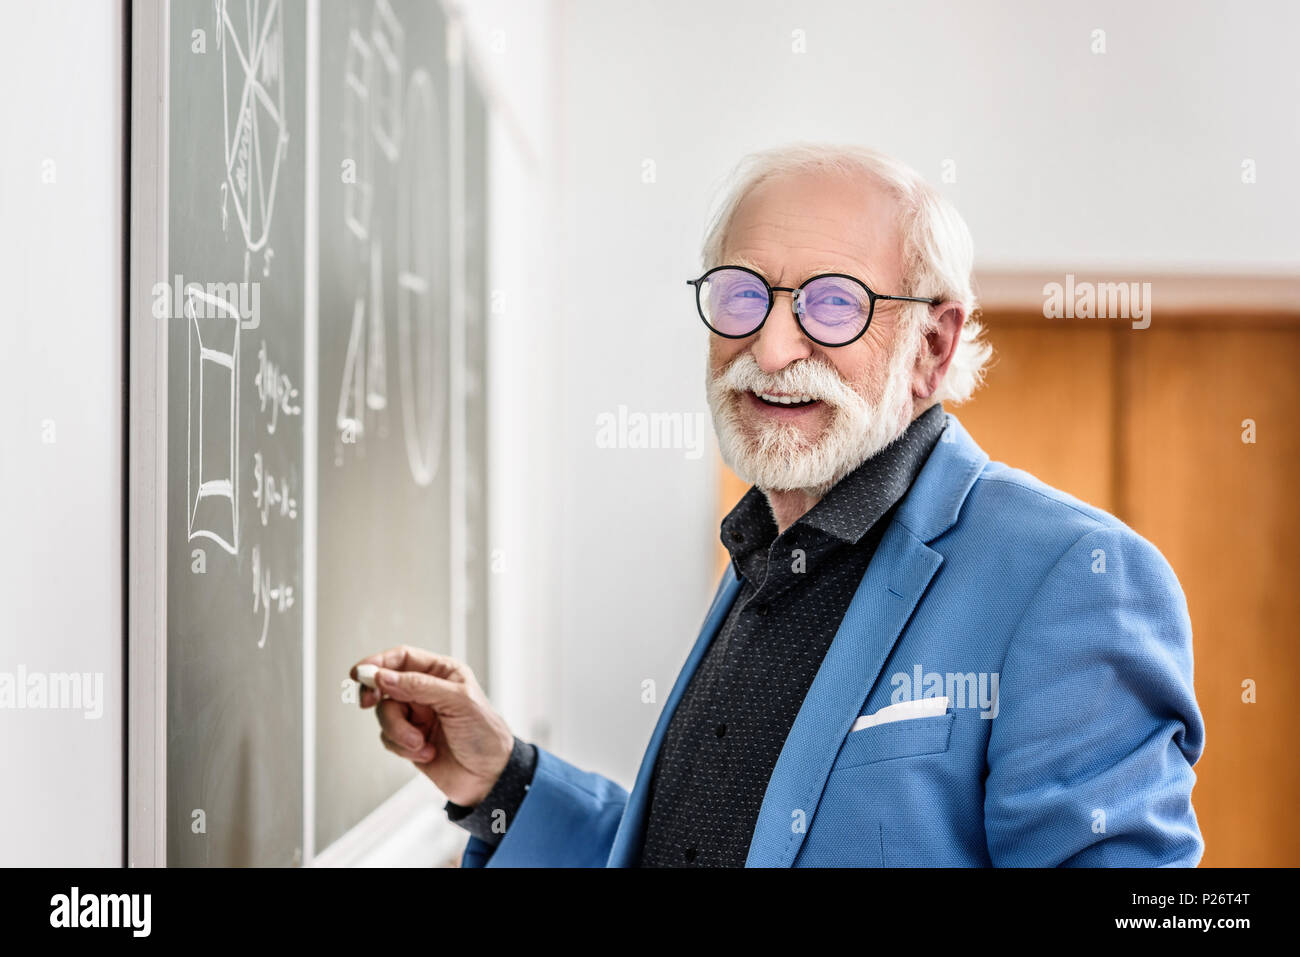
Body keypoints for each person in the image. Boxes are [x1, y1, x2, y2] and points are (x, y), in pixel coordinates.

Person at [353, 143, 1204, 867]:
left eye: (834, 303)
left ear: (932, 347)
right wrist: (502, 781)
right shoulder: (764, 551)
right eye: (741, 295)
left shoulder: (1074, 579)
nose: (770, 345)